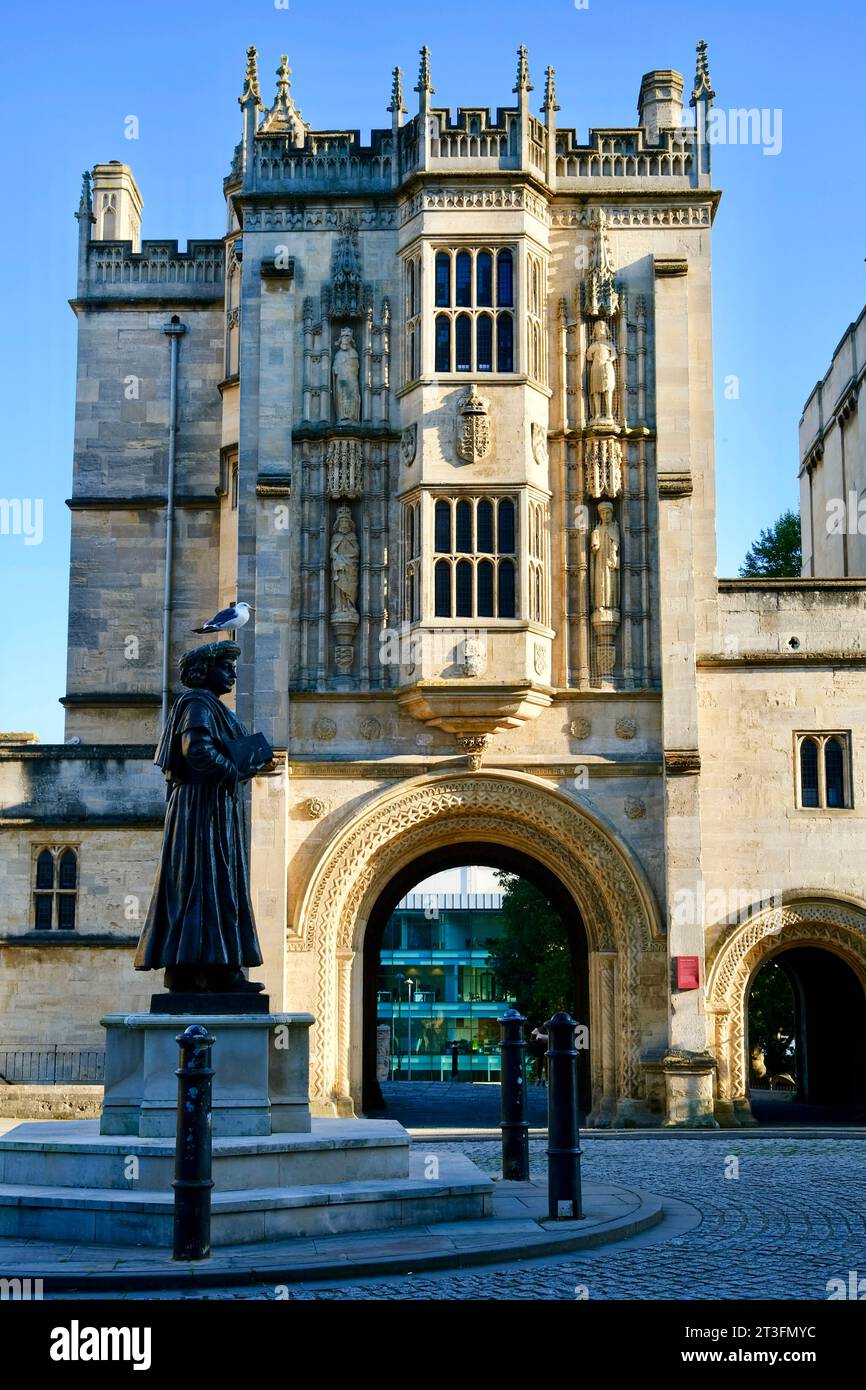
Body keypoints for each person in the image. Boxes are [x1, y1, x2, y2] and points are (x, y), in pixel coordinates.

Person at [134, 641, 274, 994]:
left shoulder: (213, 707)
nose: (232, 673)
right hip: (201, 805)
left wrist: (250, 763)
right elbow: (195, 752)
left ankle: (192, 969)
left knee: (211, 882)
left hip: (213, 803)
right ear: (203, 670)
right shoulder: (196, 702)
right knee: (208, 881)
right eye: (225, 666)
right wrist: (235, 770)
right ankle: (216, 970)